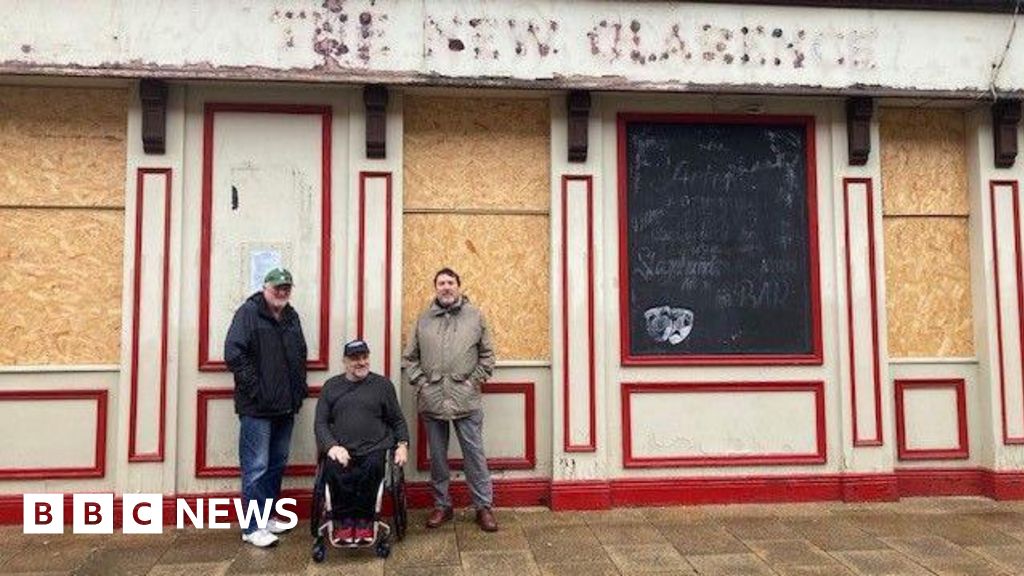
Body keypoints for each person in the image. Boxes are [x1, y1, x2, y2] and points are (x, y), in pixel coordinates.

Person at [402, 267, 498, 532]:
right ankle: (442, 505)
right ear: (436, 288)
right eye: (441, 283)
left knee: (474, 455)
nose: (446, 287)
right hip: (432, 400)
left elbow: (488, 355)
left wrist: (472, 380)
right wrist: (421, 382)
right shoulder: (423, 320)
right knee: (438, 458)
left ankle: (483, 507)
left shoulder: (475, 316)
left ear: (458, 286)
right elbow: (410, 358)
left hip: (465, 399)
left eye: (450, 282)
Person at [224, 267, 308, 548]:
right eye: (277, 287)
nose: (282, 292)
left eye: (286, 287)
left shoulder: (291, 316)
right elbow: (234, 354)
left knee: (275, 465)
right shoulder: (248, 313)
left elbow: (300, 354)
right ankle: (251, 527)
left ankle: (267, 516)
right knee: (256, 467)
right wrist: (257, 390)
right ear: (265, 287)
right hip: (257, 408)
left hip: (285, 406)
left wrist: (298, 391)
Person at [315, 339, 409, 545]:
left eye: (364, 357)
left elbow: (397, 419)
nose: (361, 362)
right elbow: (320, 423)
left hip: (375, 447)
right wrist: (331, 446)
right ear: (345, 361)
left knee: (373, 467)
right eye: (355, 358)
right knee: (335, 469)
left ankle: (365, 521)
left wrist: (402, 444)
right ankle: (345, 522)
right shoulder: (331, 387)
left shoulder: (383, 385)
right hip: (342, 448)